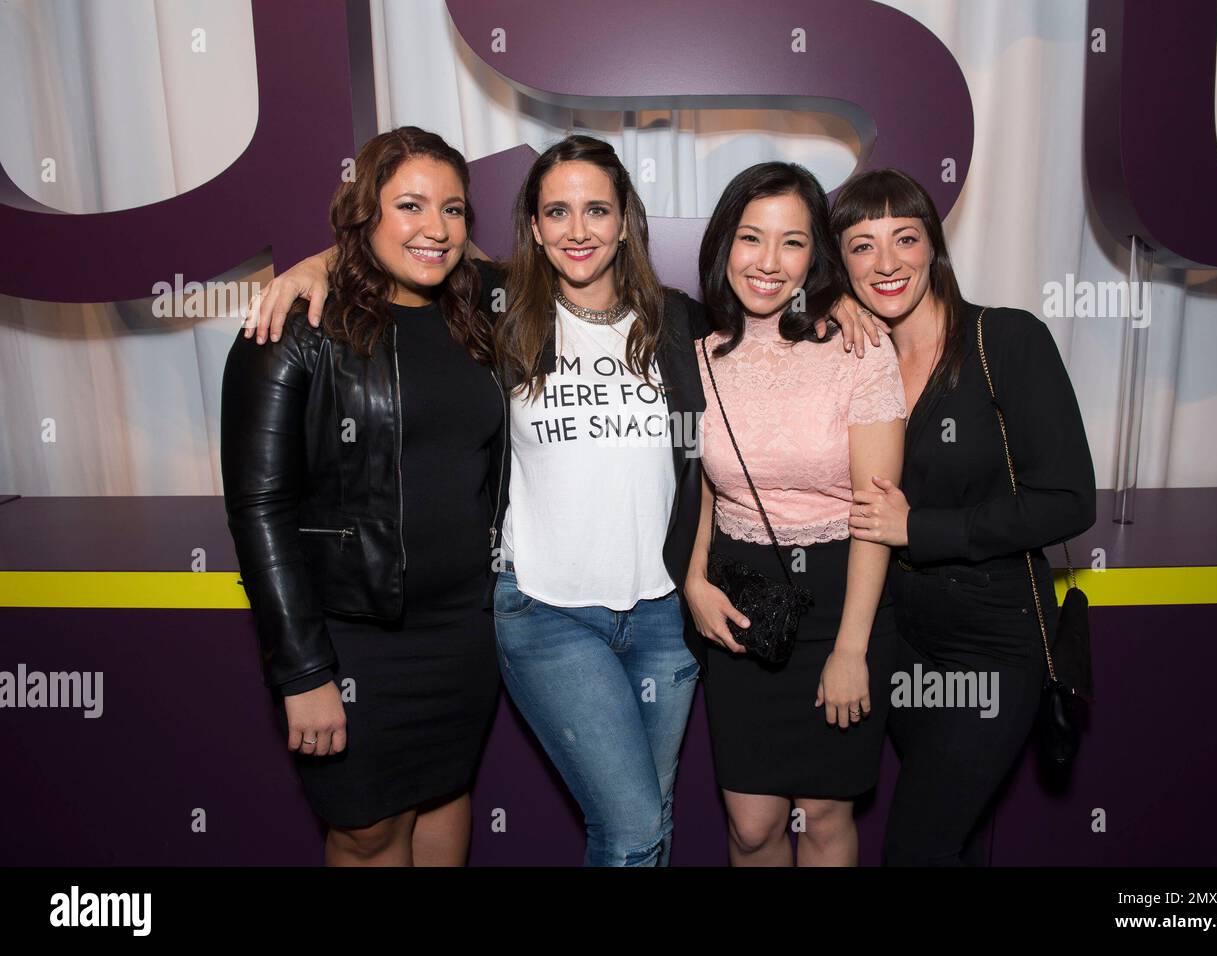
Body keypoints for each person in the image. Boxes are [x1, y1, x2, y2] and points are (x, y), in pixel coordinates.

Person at [245, 135, 887, 867]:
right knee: (634, 830)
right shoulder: (495, 310)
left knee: (654, 819)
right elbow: (409, 248)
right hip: (547, 614)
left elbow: (760, 330)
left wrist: (841, 298)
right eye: (557, 211)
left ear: (624, 222)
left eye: (597, 210)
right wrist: (313, 265)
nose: (578, 230)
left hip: (662, 623)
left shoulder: (679, 324)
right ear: (534, 226)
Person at [220, 127, 503, 866]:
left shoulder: (479, 316)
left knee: (444, 796)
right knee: (368, 830)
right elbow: (259, 510)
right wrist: (303, 670)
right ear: (363, 213)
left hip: (465, 631)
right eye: (409, 205)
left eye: (453, 209)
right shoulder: (294, 329)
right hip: (353, 637)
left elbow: (571, 273)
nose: (435, 229)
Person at [841, 168, 1096, 866]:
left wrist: (919, 529)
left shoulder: (1004, 341)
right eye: (861, 247)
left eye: (904, 238)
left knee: (916, 848)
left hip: (994, 641)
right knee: (952, 840)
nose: (886, 262)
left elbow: (1071, 500)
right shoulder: (859, 358)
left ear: (933, 247)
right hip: (900, 639)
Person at [682, 163, 906, 866]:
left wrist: (850, 650)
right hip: (740, 598)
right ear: (725, 245)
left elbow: (876, 508)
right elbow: (701, 490)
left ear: (817, 255)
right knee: (750, 825)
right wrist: (694, 581)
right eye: (751, 238)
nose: (769, 263)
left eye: (793, 243)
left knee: (827, 814)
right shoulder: (694, 356)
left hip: (845, 595)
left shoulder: (859, 349)